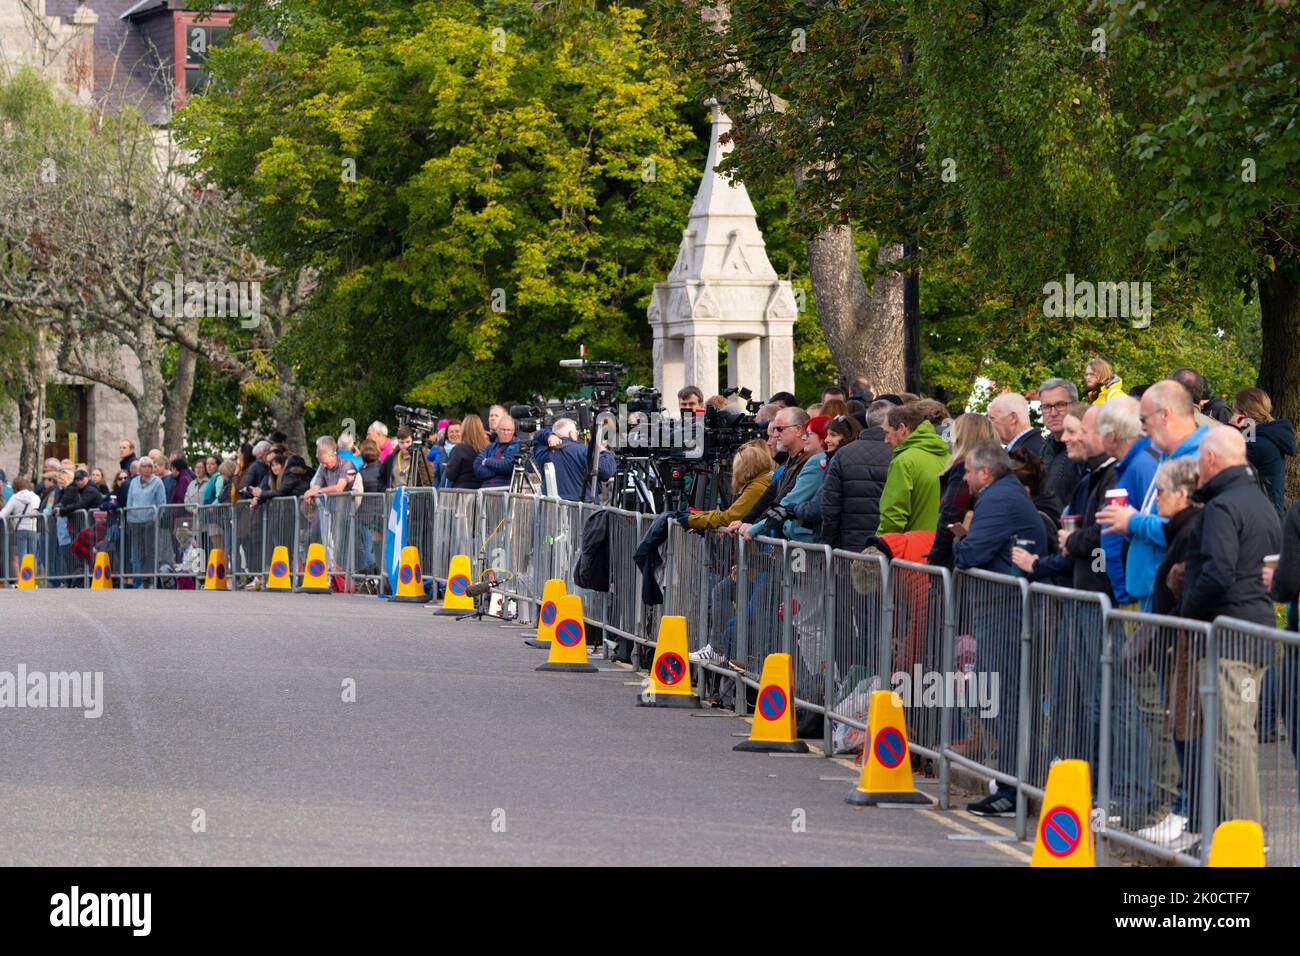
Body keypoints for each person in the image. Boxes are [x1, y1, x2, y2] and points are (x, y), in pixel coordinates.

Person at [1179, 426, 1280, 826]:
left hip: (1230, 638)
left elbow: (1218, 573)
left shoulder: (1222, 508)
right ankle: (1242, 831)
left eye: (1201, 459)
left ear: (1212, 460)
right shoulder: (1261, 502)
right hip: (1255, 632)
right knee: (1240, 737)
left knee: (1231, 740)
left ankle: (1240, 836)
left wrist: (1188, 610)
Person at [952, 441, 1048, 816]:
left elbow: (970, 556)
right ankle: (1009, 782)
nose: (964, 477)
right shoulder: (1001, 495)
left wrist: (962, 537)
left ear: (985, 473)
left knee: (1007, 698)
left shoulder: (997, 499)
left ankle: (1013, 787)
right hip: (1000, 608)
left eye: (968, 471)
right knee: (1003, 697)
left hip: (1006, 611)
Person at [1134, 456, 1204, 845]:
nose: (1155, 500)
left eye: (1160, 492)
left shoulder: (1191, 527)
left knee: (1185, 728)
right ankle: (1184, 811)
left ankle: (1184, 812)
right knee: (1176, 724)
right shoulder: (1182, 526)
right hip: (1173, 637)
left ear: (1181, 493)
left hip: (1185, 641)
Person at [1097, 379, 1210, 610]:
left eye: (1143, 419)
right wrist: (1127, 524)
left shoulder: (1199, 459)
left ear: (1165, 415)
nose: (1141, 429)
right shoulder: (1167, 455)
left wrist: (1133, 521)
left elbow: (1189, 531)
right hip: (1153, 591)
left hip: (1170, 595)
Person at [686, 441, 774, 667]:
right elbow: (736, 518)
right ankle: (719, 649)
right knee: (723, 591)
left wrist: (691, 518)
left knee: (754, 611)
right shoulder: (757, 484)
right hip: (755, 560)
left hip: (764, 561)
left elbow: (730, 516)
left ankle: (743, 659)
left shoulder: (757, 486)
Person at [820, 401, 894, 552]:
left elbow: (830, 508)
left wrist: (831, 546)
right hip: (890, 545)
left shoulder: (842, 455)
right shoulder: (900, 453)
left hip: (849, 545)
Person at [928, 412, 997, 569]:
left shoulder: (963, 469)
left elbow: (952, 513)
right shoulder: (994, 467)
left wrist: (936, 554)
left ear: (960, 437)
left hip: (957, 555)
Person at [742, 416, 828, 542]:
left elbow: (790, 500)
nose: (804, 438)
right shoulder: (815, 460)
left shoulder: (817, 461)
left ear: (822, 437)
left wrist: (755, 528)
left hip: (807, 539)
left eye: (809, 434)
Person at [731, 406, 811, 532]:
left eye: (779, 429)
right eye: (774, 429)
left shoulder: (809, 461)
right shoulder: (789, 461)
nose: (775, 435)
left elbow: (784, 500)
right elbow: (769, 496)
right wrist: (745, 521)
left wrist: (755, 526)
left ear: (798, 430)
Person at [877, 403, 949, 533]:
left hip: (911, 548)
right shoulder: (948, 458)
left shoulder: (904, 462)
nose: (885, 440)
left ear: (901, 428)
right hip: (941, 547)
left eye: (887, 433)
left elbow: (893, 517)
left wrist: (880, 545)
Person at [1231, 386, 1293, 518]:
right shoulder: (1266, 436)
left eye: (1234, 411)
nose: (1232, 416)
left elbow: (1226, 469)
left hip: (1261, 518)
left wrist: (1232, 429)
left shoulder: (1258, 444)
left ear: (1244, 416)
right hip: (1268, 514)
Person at [530, 417, 616, 502]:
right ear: (571, 434)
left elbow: (536, 438)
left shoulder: (542, 453)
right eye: (576, 432)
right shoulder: (585, 451)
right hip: (585, 510)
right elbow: (607, 471)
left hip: (552, 510)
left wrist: (548, 435)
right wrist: (604, 452)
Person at [1039, 377, 1086, 507]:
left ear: (1075, 405)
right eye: (1047, 406)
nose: (1053, 413)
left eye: (1060, 405)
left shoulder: (1084, 450)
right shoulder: (1043, 450)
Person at [126, 457, 166, 586]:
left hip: (150, 520)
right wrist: (129, 517)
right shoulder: (133, 482)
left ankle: (150, 579)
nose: (147, 469)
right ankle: (144, 578)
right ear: (139, 468)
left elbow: (161, 503)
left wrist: (156, 518)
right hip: (135, 521)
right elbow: (130, 500)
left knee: (150, 551)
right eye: (144, 466)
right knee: (140, 552)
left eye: (149, 466)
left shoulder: (157, 482)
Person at [1, 476, 41, 580]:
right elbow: (36, 508)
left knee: (22, 555)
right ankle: (32, 580)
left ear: (15, 487)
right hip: (33, 529)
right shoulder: (34, 496)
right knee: (33, 556)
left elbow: (4, 513)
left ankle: (24, 580)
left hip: (20, 529)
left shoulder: (14, 498)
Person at [988, 392, 1045, 459]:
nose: (988, 424)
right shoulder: (1033, 447)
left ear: (1013, 418)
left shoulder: (1028, 454)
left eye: (992, 418)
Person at [473, 415, 519, 488]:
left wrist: (488, 461)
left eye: (509, 430)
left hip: (506, 491)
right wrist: (499, 469)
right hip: (486, 492)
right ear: (497, 430)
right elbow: (477, 468)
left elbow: (509, 466)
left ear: (513, 431)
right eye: (503, 430)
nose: (506, 433)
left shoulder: (517, 446)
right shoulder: (489, 447)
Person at [446, 415, 488, 490]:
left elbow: (451, 475)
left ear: (464, 429)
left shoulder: (459, 449)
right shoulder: (487, 447)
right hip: (482, 492)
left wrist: (448, 467)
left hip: (463, 493)